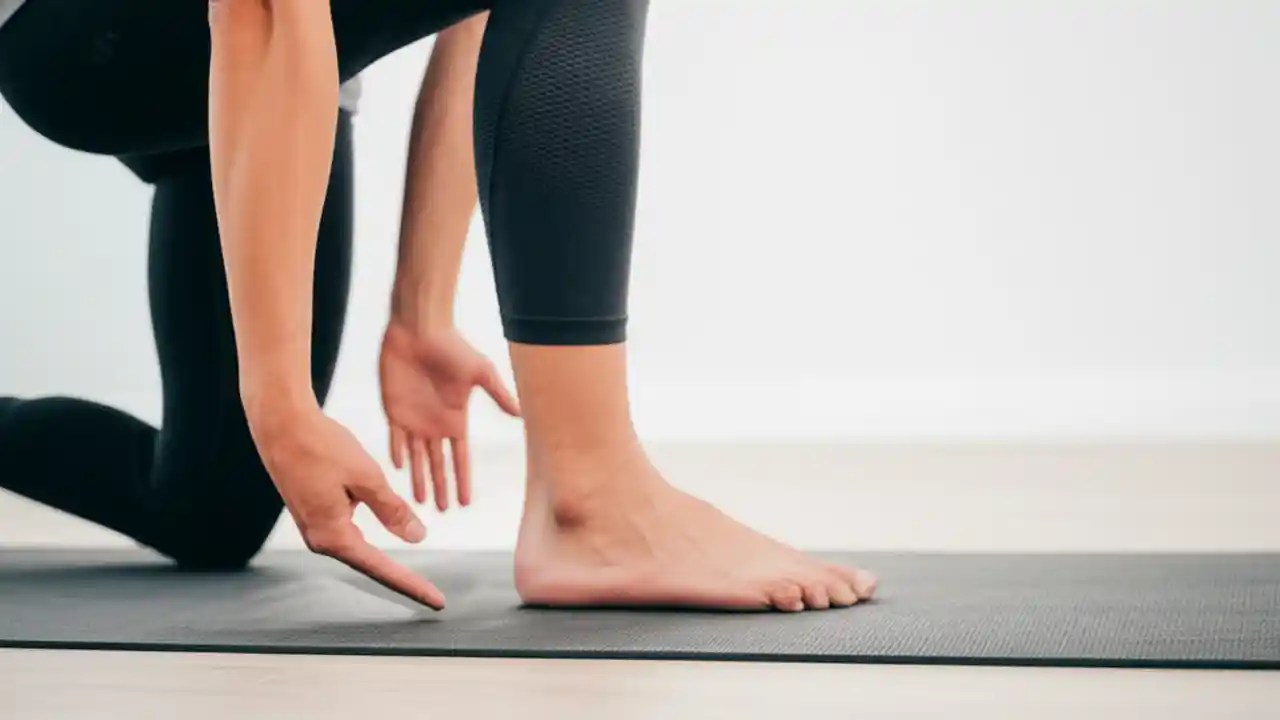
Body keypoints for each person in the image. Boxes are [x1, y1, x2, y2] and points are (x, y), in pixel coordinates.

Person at [0, 0, 876, 612]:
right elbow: (259, 7)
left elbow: (478, 18)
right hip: (86, 32)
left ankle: (589, 497)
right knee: (271, 431)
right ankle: (592, 502)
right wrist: (279, 398)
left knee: (210, 506)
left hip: (267, 68)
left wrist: (421, 311)